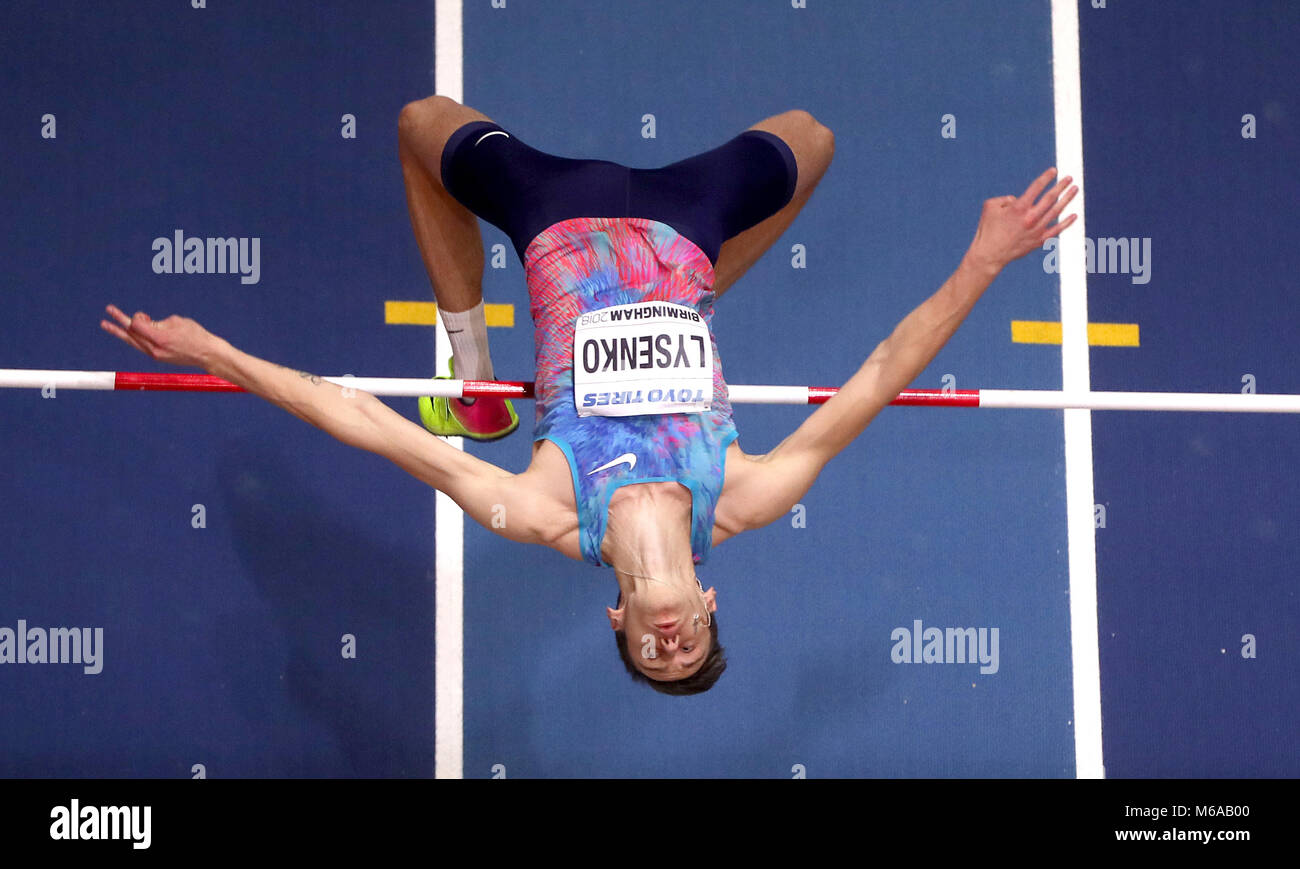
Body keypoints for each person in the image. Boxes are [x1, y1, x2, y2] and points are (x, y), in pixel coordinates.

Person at [101, 96, 1076, 695]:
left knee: (413, 123)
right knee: (811, 139)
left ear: (618, 623)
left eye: (655, 656)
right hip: (689, 226)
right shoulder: (745, 494)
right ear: (706, 596)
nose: (669, 640)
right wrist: (981, 262)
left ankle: (467, 352)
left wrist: (217, 351)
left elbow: (367, 424)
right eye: (689, 642)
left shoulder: (541, 509)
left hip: (551, 212)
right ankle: (699, 282)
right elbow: (880, 374)